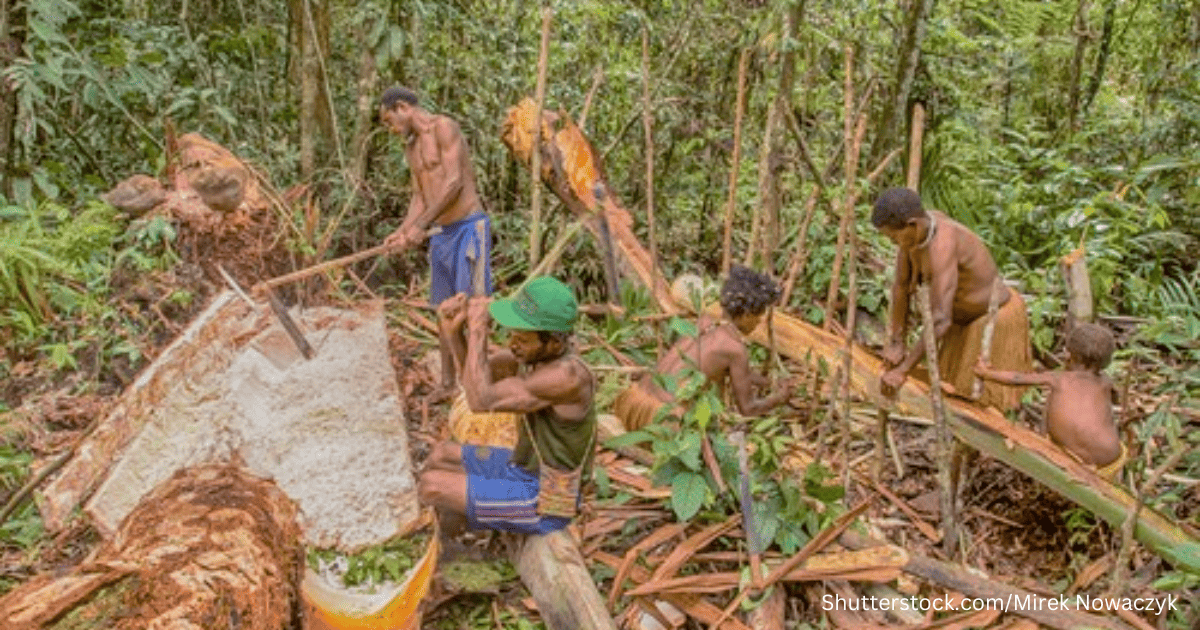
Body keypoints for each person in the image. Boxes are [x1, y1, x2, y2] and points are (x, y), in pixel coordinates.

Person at [418, 277, 596, 535]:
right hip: (521, 469)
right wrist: (455, 331)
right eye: (513, 334)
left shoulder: (566, 377)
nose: (513, 344)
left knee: (430, 485)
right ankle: (455, 529)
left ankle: (453, 534)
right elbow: (475, 378)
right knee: (441, 455)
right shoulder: (535, 356)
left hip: (549, 499)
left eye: (523, 339)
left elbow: (479, 402)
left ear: (554, 343)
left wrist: (478, 328)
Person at [871, 187, 1032, 412]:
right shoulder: (915, 236)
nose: (892, 242)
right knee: (952, 396)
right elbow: (900, 286)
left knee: (982, 408)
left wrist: (903, 370)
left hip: (990, 320)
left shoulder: (943, 245)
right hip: (960, 322)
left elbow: (940, 321)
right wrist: (897, 341)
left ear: (912, 225)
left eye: (893, 237)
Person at [378, 85, 492, 394]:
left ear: (403, 107)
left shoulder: (444, 127)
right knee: (443, 309)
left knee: (472, 309)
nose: (391, 129)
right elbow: (419, 196)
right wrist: (403, 231)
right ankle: (447, 383)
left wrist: (421, 226)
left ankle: (478, 385)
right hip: (441, 234)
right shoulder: (411, 147)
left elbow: (454, 182)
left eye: (390, 121)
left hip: (470, 228)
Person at [614, 265, 793, 431]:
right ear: (746, 314)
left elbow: (722, 368)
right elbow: (748, 409)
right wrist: (780, 399)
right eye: (758, 317)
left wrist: (769, 383)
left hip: (632, 403)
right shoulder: (735, 348)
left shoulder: (704, 322)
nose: (759, 322)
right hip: (660, 420)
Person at [975, 323, 1124, 479]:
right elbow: (1110, 403)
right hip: (1108, 457)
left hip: (1069, 456)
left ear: (1069, 356)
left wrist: (986, 373)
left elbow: (1017, 378)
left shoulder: (1058, 379)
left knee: (1054, 402)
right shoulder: (1106, 382)